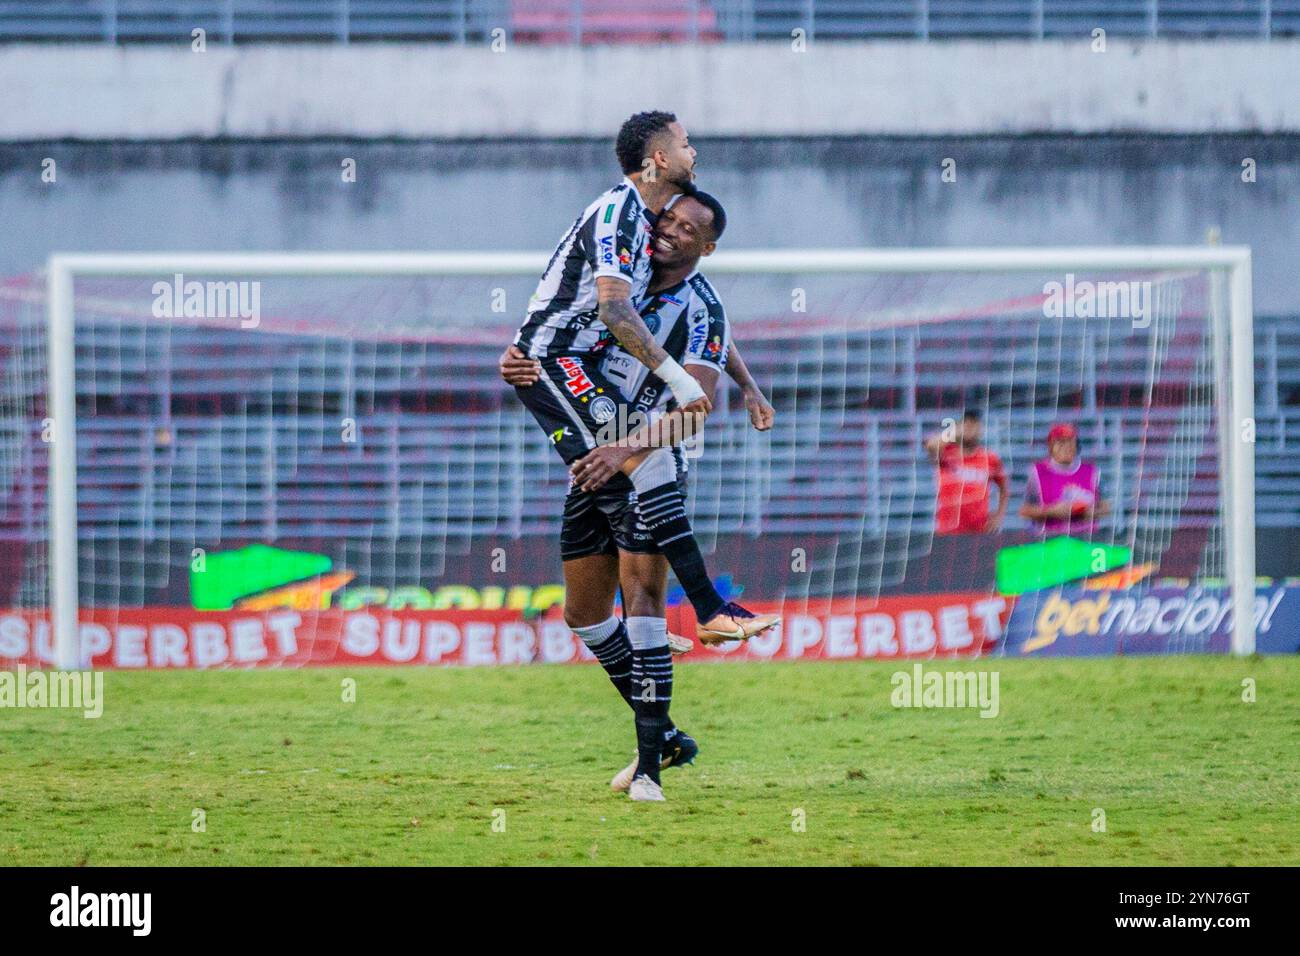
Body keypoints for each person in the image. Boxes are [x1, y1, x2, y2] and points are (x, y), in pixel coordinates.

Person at [511, 110, 778, 649]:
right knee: (586, 612)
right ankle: (678, 629)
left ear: (706, 248)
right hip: (588, 406)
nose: (672, 231)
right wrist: (526, 348)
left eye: (689, 229)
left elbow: (703, 375)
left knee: (644, 596)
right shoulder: (629, 239)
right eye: (685, 144)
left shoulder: (702, 304)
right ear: (659, 160)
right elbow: (601, 307)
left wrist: (744, 385)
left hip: (641, 437)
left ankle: (684, 636)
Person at [923, 408, 1008, 535]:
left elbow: (1004, 489)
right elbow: (931, 445)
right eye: (966, 424)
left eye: (974, 425)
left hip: (979, 531)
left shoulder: (990, 458)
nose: (970, 428)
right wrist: (954, 431)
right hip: (948, 531)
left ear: (980, 430)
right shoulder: (946, 454)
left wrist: (998, 517)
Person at [1019, 422, 1110, 536]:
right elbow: (1025, 510)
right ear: (1051, 447)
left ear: (1077, 446)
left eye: (1070, 442)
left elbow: (1106, 507)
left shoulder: (1093, 472)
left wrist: (1088, 513)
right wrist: (1051, 512)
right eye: (1060, 443)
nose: (1065, 447)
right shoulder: (1037, 473)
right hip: (1051, 538)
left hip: (1086, 539)